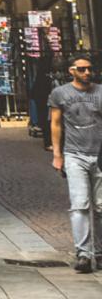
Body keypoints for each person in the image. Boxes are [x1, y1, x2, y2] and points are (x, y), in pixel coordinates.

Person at [52, 55, 102, 273]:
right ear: (71, 70)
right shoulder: (60, 93)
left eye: (89, 68)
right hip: (74, 155)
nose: (87, 73)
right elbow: (55, 124)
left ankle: (99, 253)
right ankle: (83, 254)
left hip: (100, 154)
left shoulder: (100, 92)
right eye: (82, 69)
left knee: (101, 206)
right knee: (80, 205)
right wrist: (57, 154)